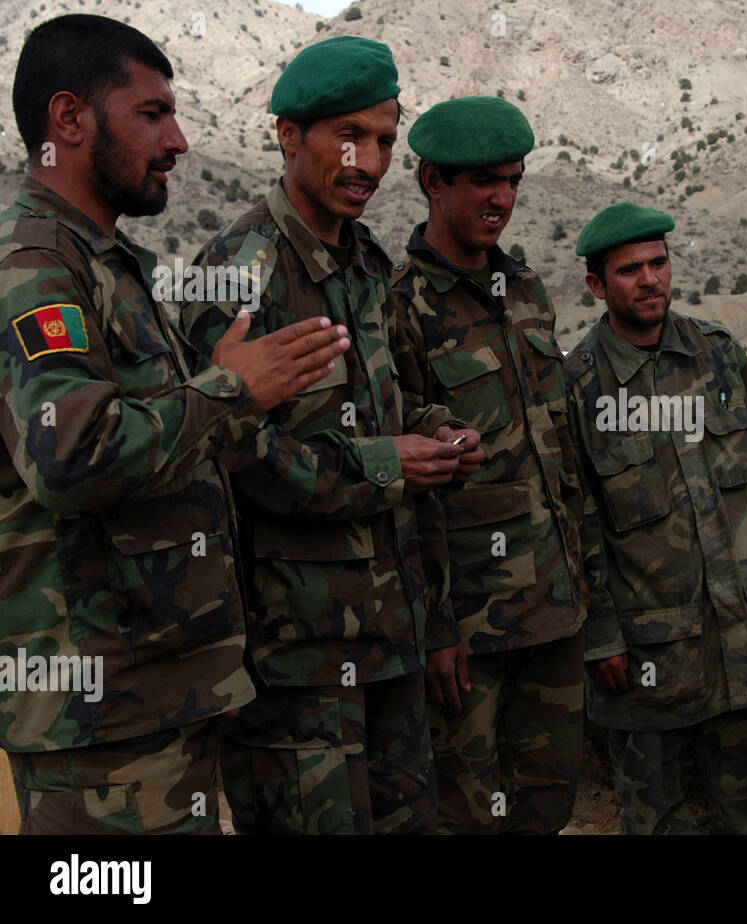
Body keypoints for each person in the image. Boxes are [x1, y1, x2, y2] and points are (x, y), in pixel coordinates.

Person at [0, 15, 348, 834]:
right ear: (70, 119)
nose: (181, 139)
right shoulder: (36, 269)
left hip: (149, 694)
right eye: (153, 114)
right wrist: (231, 392)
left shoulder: (100, 263)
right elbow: (71, 454)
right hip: (95, 722)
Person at [181, 37, 480, 834]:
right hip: (294, 664)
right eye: (350, 135)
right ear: (288, 134)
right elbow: (229, 450)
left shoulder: (366, 265)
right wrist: (390, 465)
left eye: (385, 140)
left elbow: (386, 406)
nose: (371, 161)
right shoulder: (239, 271)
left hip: (393, 635)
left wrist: (437, 432)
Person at [565, 202, 747, 834]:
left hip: (743, 644)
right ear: (597, 285)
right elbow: (575, 526)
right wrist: (599, 638)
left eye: (659, 263)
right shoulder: (577, 387)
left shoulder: (720, 353)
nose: (650, 280)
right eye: (629, 270)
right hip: (649, 665)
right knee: (660, 820)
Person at [387, 97, 586, 834]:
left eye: (513, 179)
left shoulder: (527, 292)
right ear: (433, 181)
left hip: (556, 612)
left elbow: (557, 454)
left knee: (546, 803)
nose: (501, 197)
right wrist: (434, 629)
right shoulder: (398, 308)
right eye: (482, 181)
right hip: (468, 626)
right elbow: (405, 493)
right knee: (463, 813)